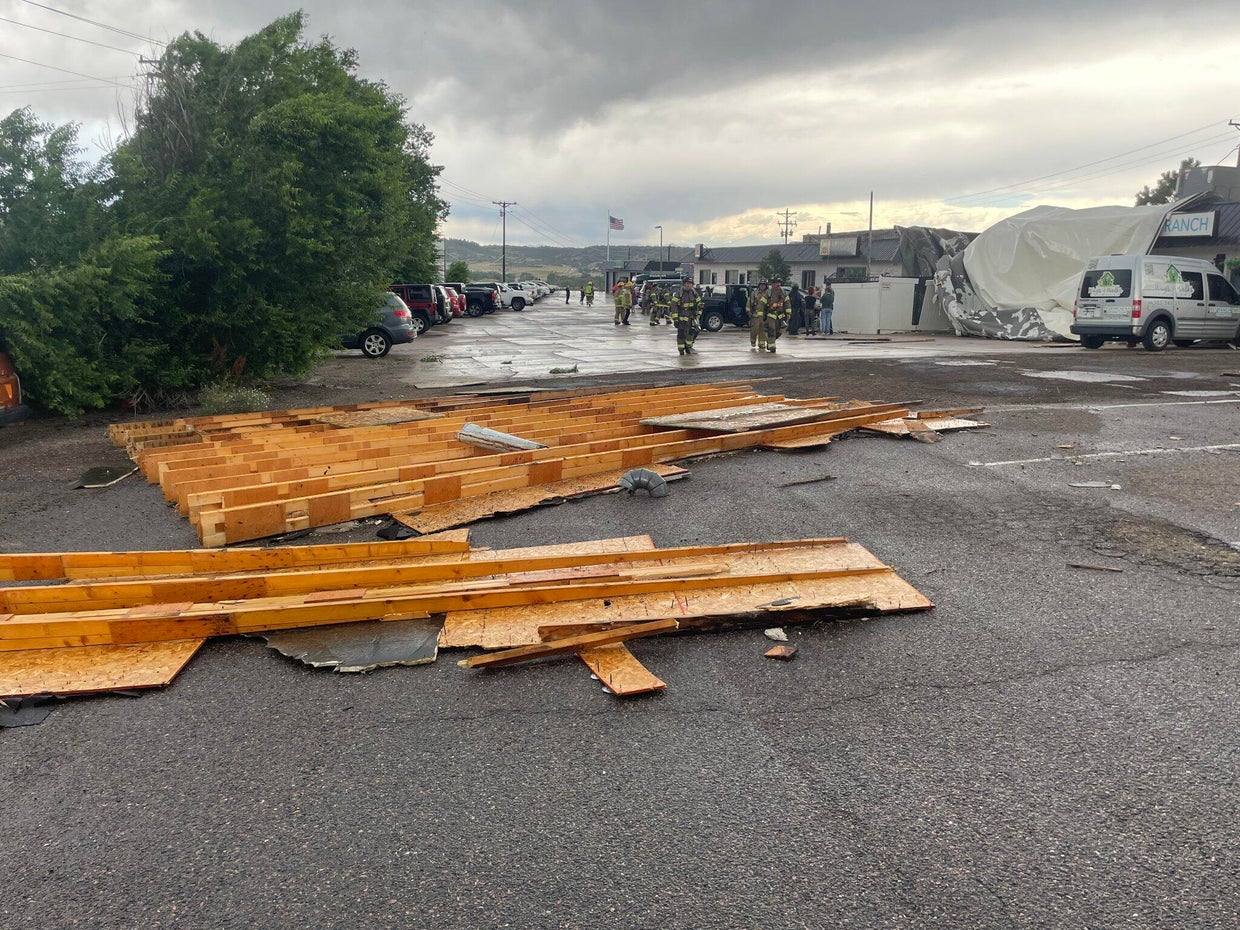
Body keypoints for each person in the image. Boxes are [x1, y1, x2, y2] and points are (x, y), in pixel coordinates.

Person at [670, 278, 702, 355]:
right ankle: (681, 350)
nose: (689, 285)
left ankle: (688, 347)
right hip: (681, 317)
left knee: (690, 333)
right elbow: (673, 305)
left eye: (690, 284)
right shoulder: (679, 294)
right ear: (684, 284)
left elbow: (699, 304)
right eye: (687, 283)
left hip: (691, 318)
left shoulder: (694, 293)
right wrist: (675, 319)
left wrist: (698, 313)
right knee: (681, 334)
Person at [764, 281, 788, 353]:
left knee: (782, 329)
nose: (778, 284)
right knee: (772, 329)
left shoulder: (783, 292)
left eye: (779, 283)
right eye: (776, 283)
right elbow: (762, 304)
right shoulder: (768, 293)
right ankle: (772, 347)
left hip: (780, 315)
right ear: (772, 284)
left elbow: (787, 303)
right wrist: (761, 315)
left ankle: (770, 341)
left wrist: (788, 313)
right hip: (771, 315)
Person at [748, 282, 769, 349]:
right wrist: (748, 311)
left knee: (763, 330)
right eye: (761, 285)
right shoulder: (754, 293)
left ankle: (761, 344)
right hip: (755, 314)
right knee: (754, 329)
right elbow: (749, 302)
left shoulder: (768, 293)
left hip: (764, 315)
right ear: (759, 285)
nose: (762, 286)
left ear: (766, 286)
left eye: (764, 285)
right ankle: (753, 341)